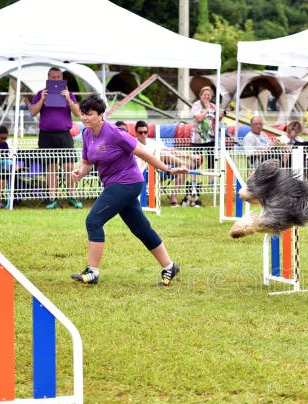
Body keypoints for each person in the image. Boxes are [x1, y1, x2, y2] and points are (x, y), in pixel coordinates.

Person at [70, 95, 189, 286]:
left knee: (93, 221)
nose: (84, 118)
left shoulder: (115, 133)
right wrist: (80, 172)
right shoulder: (86, 134)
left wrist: (167, 169)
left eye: (89, 114)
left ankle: (92, 272)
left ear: (101, 115)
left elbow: (143, 153)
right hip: (114, 185)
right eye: (82, 114)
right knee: (141, 228)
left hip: (128, 183)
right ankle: (169, 266)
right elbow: (87, 162)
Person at [30, 67, 82, 209]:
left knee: (69, 166)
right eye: (53, 77)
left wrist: (68, 99)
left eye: (58, 77)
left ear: (62, 79)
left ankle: (72, 196)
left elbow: (78, 113)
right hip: (46, 135)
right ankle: (52, 197)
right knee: (50, 167)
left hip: (64, 134)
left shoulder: (69, 94)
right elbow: (32, 112)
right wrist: (42, 99)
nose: (56, 80)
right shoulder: (41, 93)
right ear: (48, 78)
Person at [134, 120, 202, 206]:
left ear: (148, 132)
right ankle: (182, 164)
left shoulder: (153, 142)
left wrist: (189, 156)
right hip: (144, 173)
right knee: (162, 154)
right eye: (140, 132)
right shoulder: (134, 144)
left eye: (145, 132)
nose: (143, 134)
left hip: (162, 170)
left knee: (186, 164)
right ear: (136, 133)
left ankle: (174, 196)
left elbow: (171, 151)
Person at [190, 86, 221, 170]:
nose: (207, 96)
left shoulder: (213, 106)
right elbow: (199, 118)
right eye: (205, 95)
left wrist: (221, 115)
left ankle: (211, 178)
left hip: (210, 137)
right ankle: (194, 177)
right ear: (201, 95)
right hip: (198, 138)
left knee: (211, 160)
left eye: (208, 95)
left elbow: (215, 120)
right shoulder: (196, 105)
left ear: (211, 96)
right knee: (197, 160)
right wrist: (207, 109)